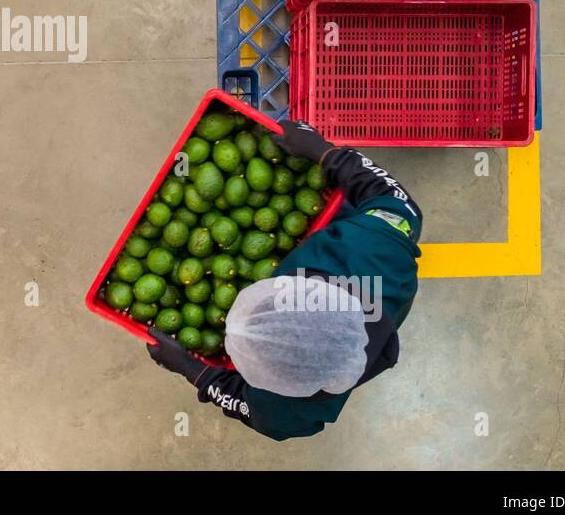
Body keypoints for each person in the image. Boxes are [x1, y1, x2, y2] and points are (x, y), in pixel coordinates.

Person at [146, 120, 421, 440]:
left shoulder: (281, 414)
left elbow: (241, 403)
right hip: (354, 237)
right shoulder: (372, 253)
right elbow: (399, 203)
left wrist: (193, 370)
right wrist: (326, 154)